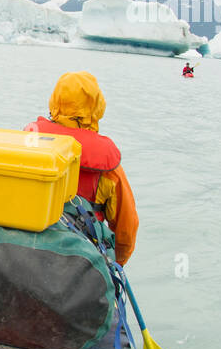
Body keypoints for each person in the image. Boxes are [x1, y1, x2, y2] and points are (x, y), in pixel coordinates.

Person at [25, 71, 139, 265]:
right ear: (97, 108)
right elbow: (126, 229)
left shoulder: (27, 146)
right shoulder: (109, 171)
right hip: (80, 263)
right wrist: (114, 265)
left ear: (54, 102)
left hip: (25, 252)